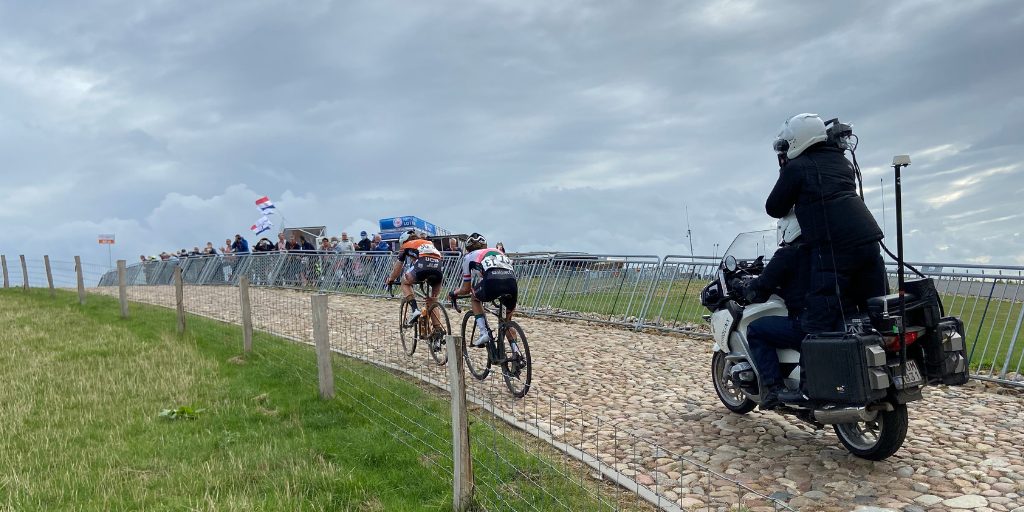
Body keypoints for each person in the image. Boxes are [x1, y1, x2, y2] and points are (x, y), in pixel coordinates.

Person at [765, 113, 887, 334]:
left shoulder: (798, 168)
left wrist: (785, 170)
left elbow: (774, 207)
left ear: (797, 140)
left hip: (834, 247)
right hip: (869, 241)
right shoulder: (842, 162)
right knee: (876, 314)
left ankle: (817, 368)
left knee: (818, 324)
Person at [736, 212, 810, 410]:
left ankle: (773, 390)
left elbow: (760, 289)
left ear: (787, 229)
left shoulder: (788, 254)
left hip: (805, 322)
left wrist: (744, 289)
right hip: (832, 319)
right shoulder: (822, 251)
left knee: (757, 330)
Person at [448, 233, 519, 348]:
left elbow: (466, 289)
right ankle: (516, 352)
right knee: (506, 321)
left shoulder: (468, 257)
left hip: (492, 281)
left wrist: (454, 293)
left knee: (474, 298)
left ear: (468, 249)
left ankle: (483, 332)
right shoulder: (498, 252)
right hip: (511, 284)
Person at [386, 230, 444, 325]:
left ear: (403, 241)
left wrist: (391, 279)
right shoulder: (427, 243)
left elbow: (397, 269)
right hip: (438, 268)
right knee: (432, 301)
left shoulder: (406, 245)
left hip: (423, 264)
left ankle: (415, 310)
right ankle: (438, 331)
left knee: (404, 282)